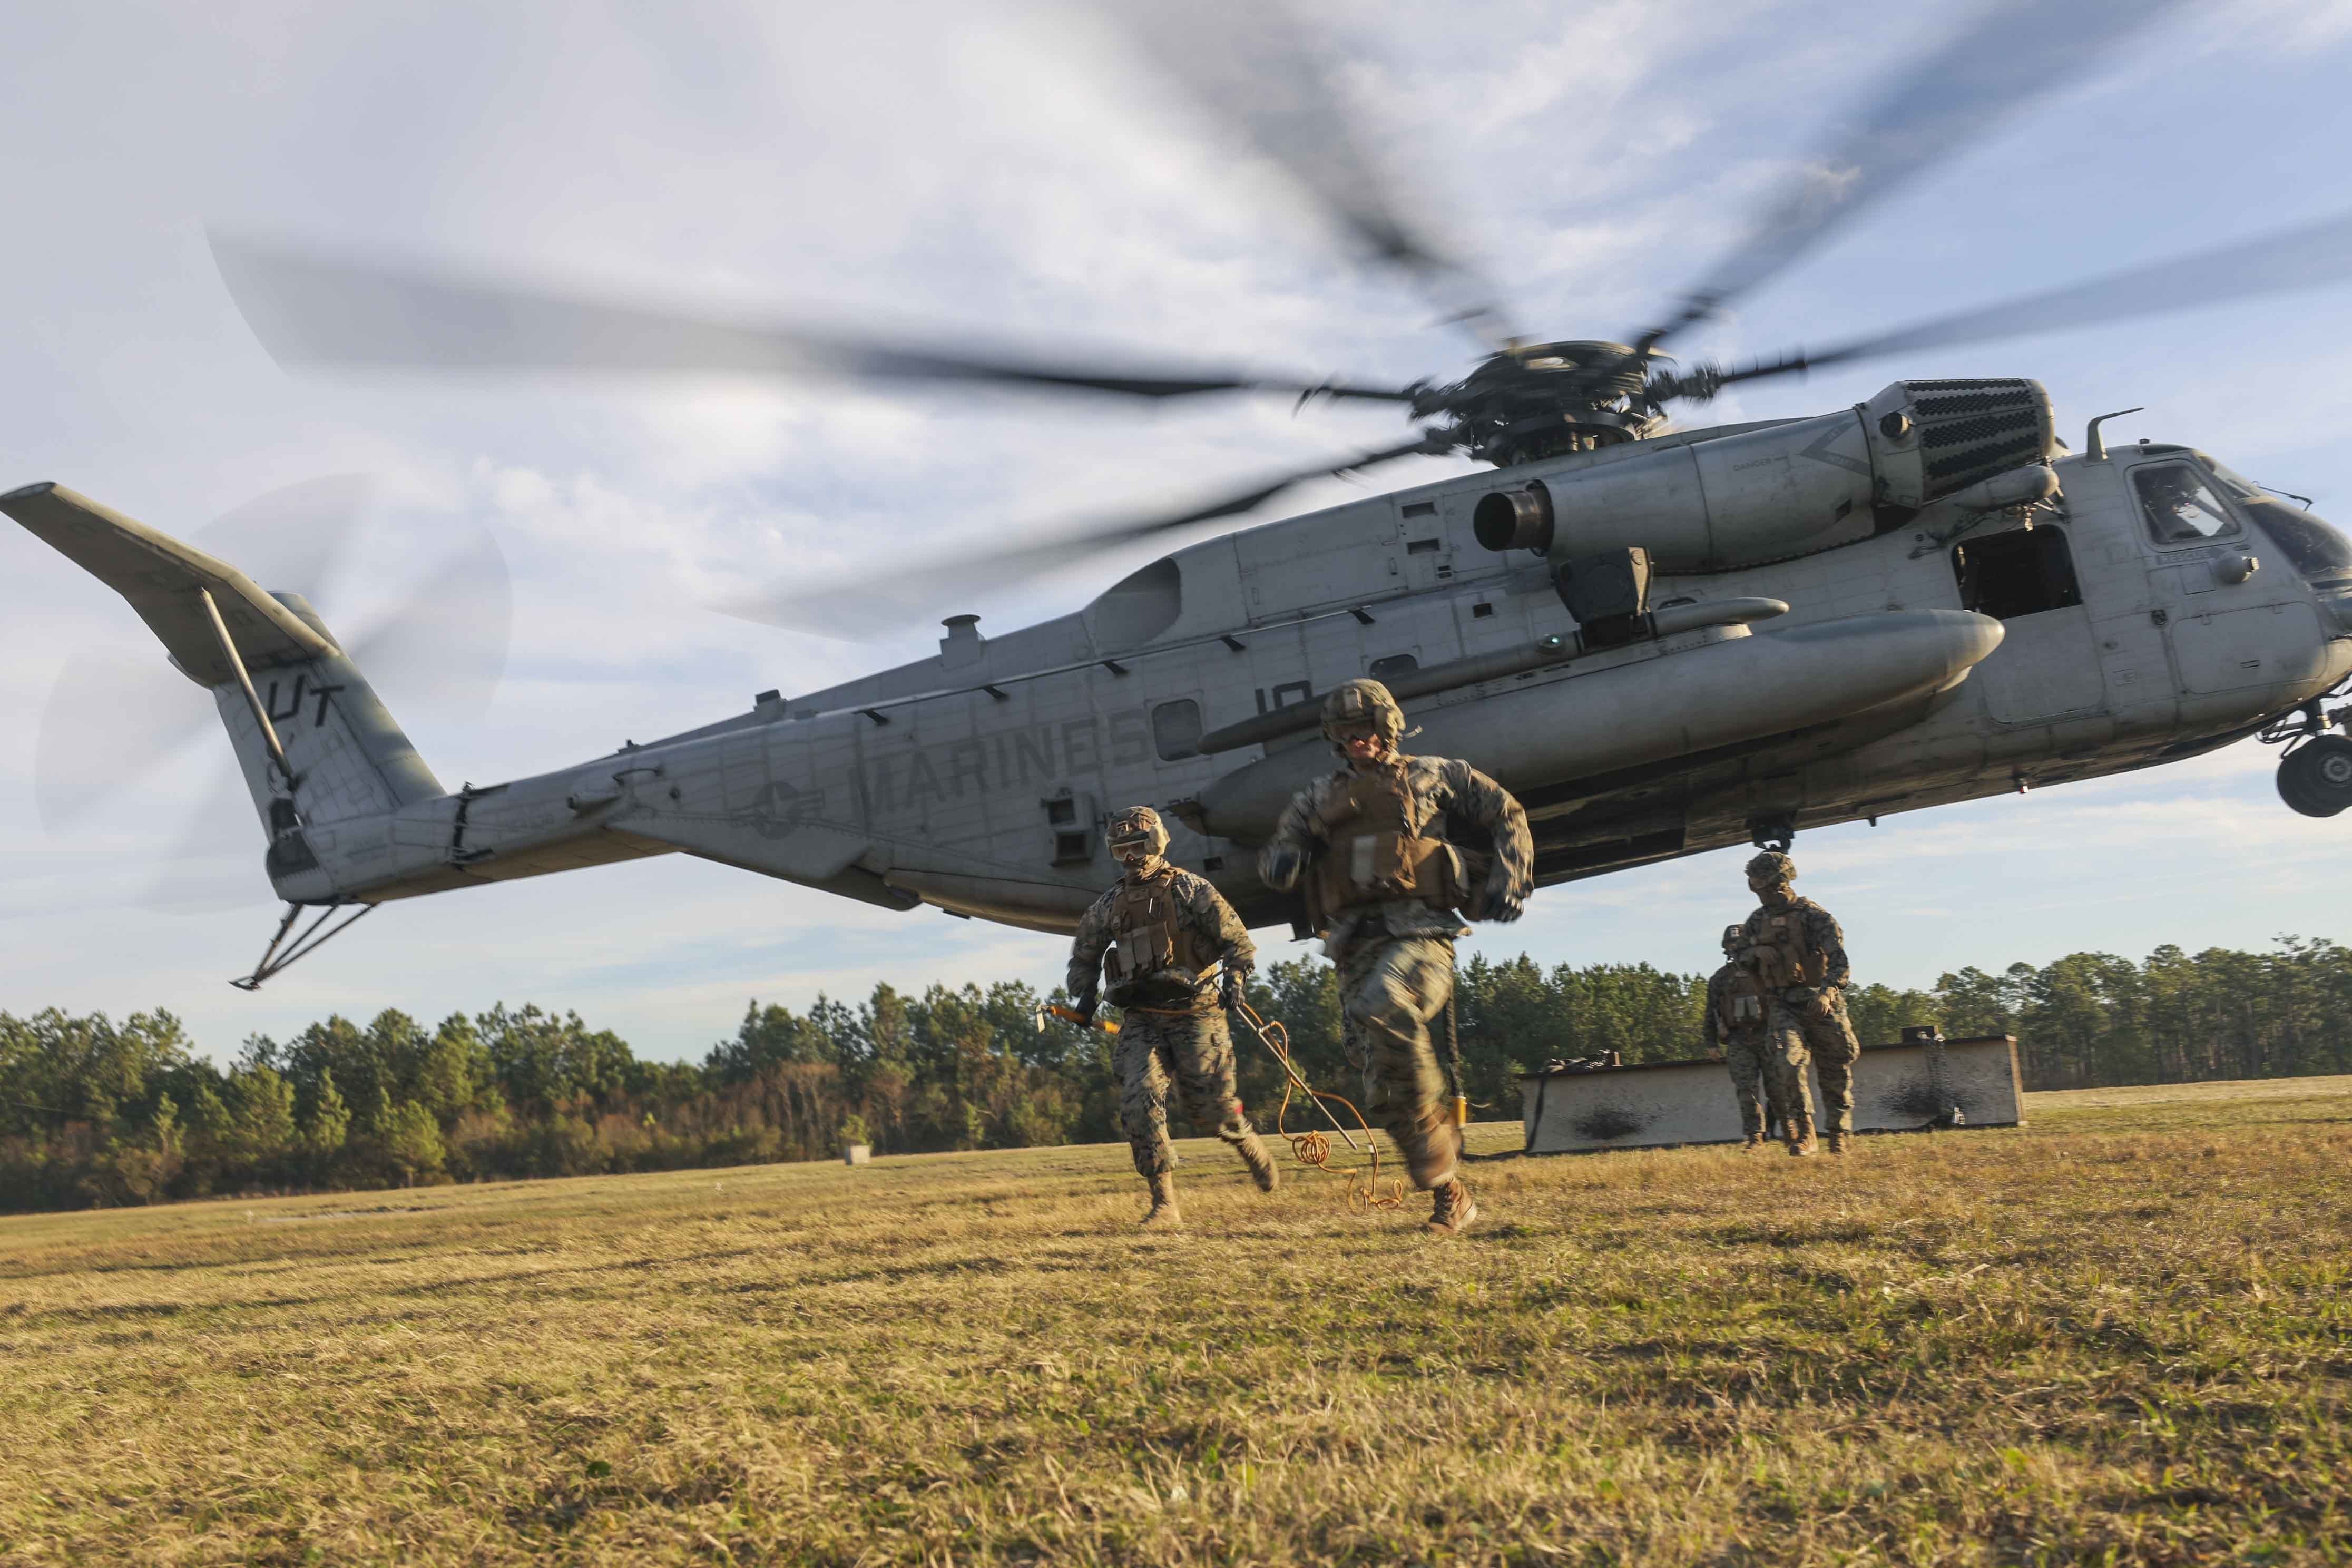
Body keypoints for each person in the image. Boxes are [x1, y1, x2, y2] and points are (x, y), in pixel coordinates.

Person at [1257, 679, 1533, 1234]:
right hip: (1355, 945)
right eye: (1345, 733)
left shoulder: (1436, 774)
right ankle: (1450, 1193)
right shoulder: (1317, 797)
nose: (1357, 740)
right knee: (1381, 1093)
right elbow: (1280, 849)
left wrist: (1513, 877)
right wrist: (1284, 863)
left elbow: (1507, 813)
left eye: (1365, 729)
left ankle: (1437, 1144)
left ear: (1388, 728)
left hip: (1422, 936)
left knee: (1388, 1004)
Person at [1067, 805, 1277, 1227]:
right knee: (1137, 1103)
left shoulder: (1190, 890)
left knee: (1213, 1111)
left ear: (1157, 843)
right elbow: (1085, 954)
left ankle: (1244, 1138)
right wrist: (1084, 997)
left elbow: (1237, 943)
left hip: (1197, 1014)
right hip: (1142, 1018)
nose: (1131, 856)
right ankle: (1164, 1204)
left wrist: (1236, 980)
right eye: (1121, 849)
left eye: (1138, 845)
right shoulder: (1109, 904)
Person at [1740, 849, 1862, 1155]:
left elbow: (1840, 962)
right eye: (1756, 889)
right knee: (1788, 1064)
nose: (1761, 895)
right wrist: (1755, 954)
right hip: (1782, 1004)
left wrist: (1827, 992)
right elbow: (1739, 958)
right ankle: (1806, 1134)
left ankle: (1838, 1134)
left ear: (1782, 884)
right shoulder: (1756, 922)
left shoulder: (1816, 917)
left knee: (1835, 1069)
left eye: (1765, 888)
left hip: (1820, 1003)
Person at [1702, 923, 1781, 1151]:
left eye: (1739, 942)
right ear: (1725, 947)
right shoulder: (1720, 979)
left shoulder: (1766, 972)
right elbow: (1711, 1012)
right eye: (1731, 943)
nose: (1735, 946)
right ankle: (1755, 1136)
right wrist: (1711, 1043)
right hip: (1739, 1039)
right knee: (1747, 1090)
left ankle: (1786, 1130)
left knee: (1778, 1088)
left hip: (1768, 1034)